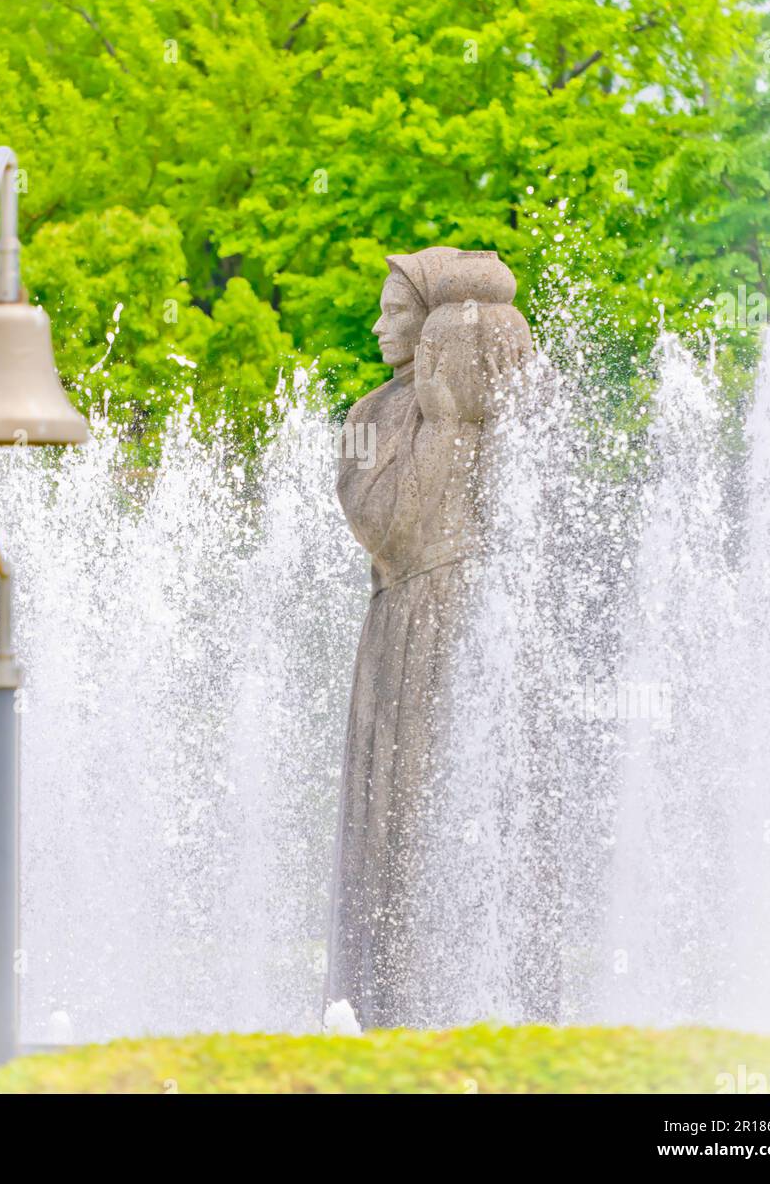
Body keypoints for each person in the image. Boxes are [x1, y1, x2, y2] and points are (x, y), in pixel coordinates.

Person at [325, 245, 532, 1028]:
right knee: (398, 819)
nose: (380, 324)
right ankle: (391, 1007)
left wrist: (465, 408)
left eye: (396, 311)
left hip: (489, 619)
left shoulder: (518, 405)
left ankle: (508, 1011)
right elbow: (387, 528)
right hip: (408, 625)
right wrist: (442, 424)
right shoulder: (371, 417)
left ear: (437, 327)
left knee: (499, 819)